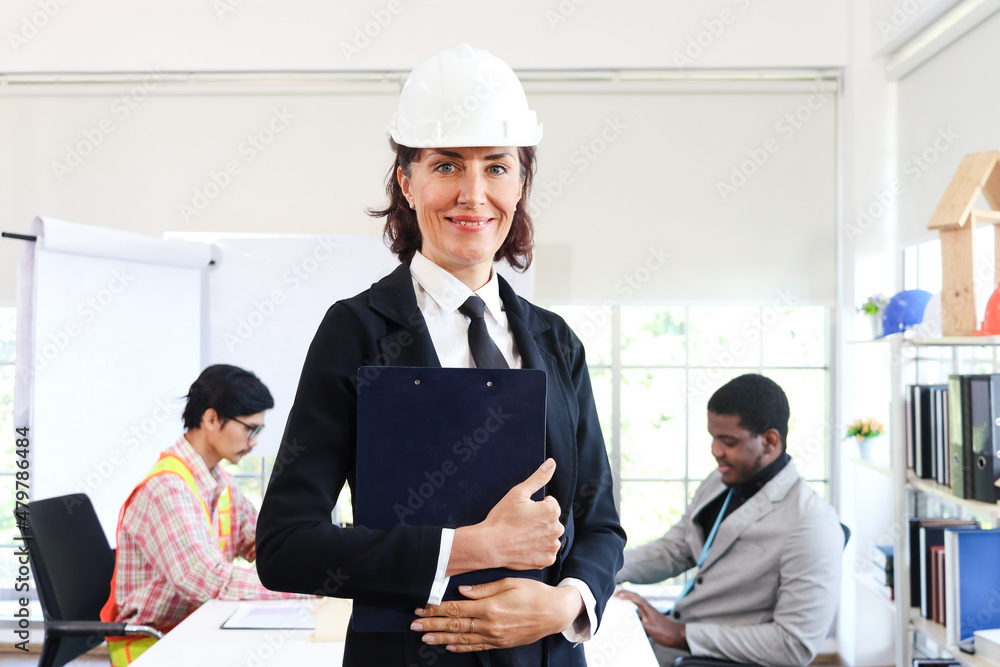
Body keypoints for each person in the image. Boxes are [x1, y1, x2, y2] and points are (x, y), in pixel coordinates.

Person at [255, 44, 626, 666]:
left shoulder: (557, 342)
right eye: (448, 165)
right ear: (407, 180)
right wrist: (471, 546)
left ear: (522, 180)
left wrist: (567, 602)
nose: (474, 194)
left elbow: (601, 525)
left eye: (498, 167)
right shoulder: (356, 332)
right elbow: (287, 546)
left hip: (542, 655)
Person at [614, 374, 842, 667]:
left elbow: (794, 645)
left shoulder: (813, 523)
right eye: (713, 437)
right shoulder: (720, 481)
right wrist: (603, 565)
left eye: (728, 441)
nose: (715, 451)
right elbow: (678, 549)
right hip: (672, 644)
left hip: (706, 657)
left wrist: (681, 634)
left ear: (770, 441)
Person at [100, 364, 301, 666]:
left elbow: (262, 542)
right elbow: (210, 580)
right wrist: (303, 590)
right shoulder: (168, 488)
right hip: (154, 643)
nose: (255, 440)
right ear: (211, 418)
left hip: (195, 626)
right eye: (250, 428)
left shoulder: (218, 481)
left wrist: (310, 560)